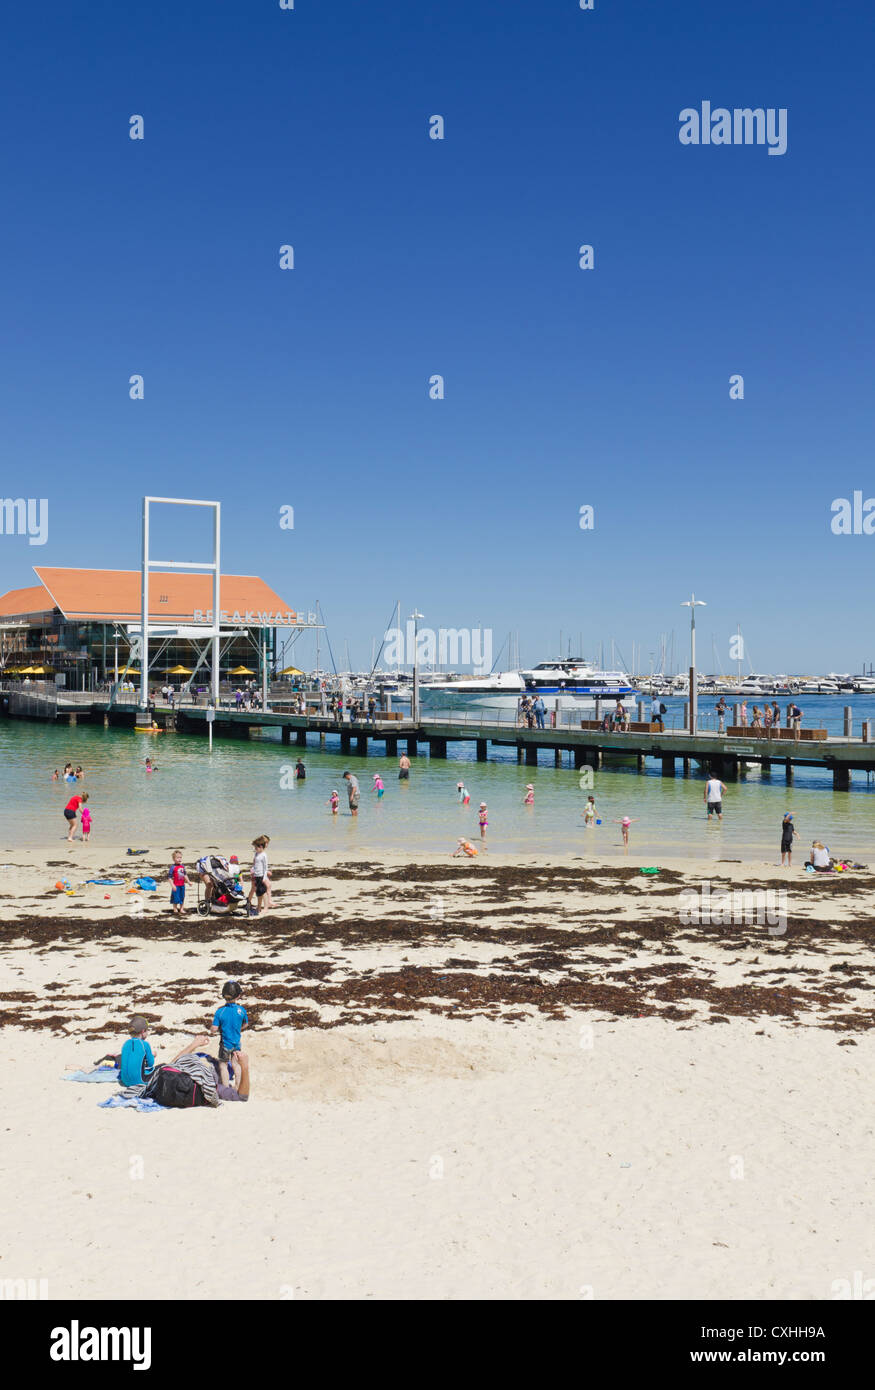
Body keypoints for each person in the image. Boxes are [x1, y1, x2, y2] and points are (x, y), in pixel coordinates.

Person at [211, 982, 249, 1088]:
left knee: (223, 1065)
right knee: (236, 1065)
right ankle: (237, 1087)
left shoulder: (220, 1012)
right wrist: (238, 1029)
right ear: (238, 996)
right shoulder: (241, 1010)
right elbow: (246, 1024)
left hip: (225, 1044)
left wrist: (213, 1029)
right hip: (237, 1043)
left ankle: (226, 1087)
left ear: (223, 995)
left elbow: (214, 1029)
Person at [118, 1015, 156, 1087]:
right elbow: (151, 1064)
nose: (147, 1033)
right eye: (147, 1030)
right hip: (139, 1081)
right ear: (142, 1031)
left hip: (124, 1081)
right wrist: (152, 1055)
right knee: (161, 1068)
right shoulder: (145, 1044)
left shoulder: (125, 1044)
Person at [248, 836, 271, 914]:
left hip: (261, 876)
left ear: (261, 847)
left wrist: (264, 877)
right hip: (256, 875)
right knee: (258, 893)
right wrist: (252, 870)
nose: (255, 849)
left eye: (256, 847)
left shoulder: (263, 855)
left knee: (263, 892)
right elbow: (255, 864)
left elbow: (265, 867)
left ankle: (266, 908)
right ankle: (258, 908)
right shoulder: (256, 854)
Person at [168, 850, 189, 916]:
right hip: (176, 885)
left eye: (180, 857)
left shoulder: (182, 866)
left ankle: (181, 908)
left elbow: (185, 874)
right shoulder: (172, 867)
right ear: (174, 859)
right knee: (175, 897)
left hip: (182, 885)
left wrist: (188, 881)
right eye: (177, 858)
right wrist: (172, 885)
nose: (179, 859)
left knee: (182, 897)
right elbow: (169, 878)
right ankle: (175, 908)